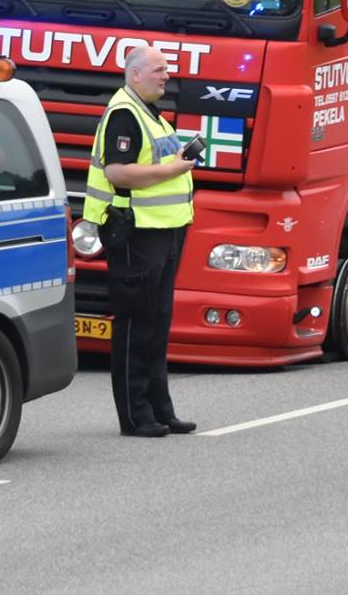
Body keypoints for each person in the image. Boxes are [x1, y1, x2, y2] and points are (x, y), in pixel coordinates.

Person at [82, 46, 199, 438]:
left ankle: (160, 409)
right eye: (159, 70)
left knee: (158, 322)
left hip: (163, 230)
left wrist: (179, 159)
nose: (167, 75)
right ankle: (135, 415)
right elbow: (119, 173)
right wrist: (173, 169)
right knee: (137, 324)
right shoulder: (124, 114)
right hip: (136, 233)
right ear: (134, 75)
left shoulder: (150, 113)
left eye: (167, 69)